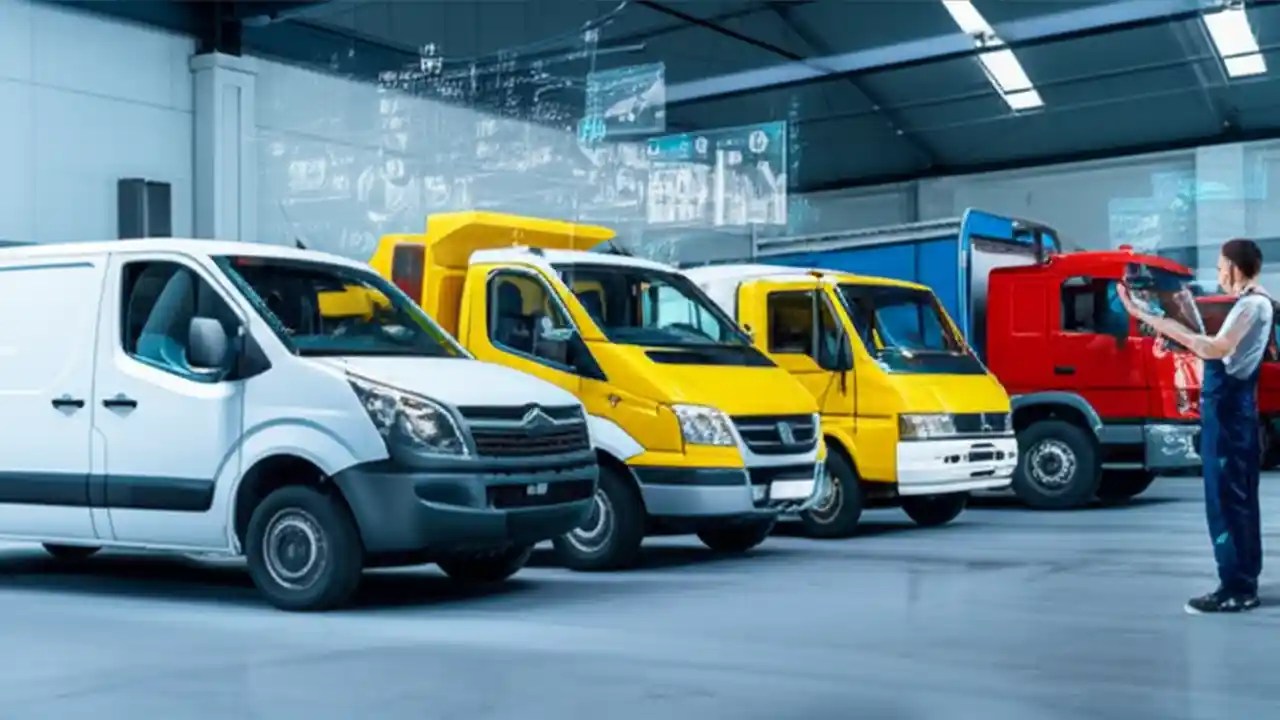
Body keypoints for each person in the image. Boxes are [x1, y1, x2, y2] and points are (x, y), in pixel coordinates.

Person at [1117, 238, 1272, 614]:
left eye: (1221, 267)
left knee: (1225, 501)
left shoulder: (1252, 305)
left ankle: (1236, 588)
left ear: (1236, 268)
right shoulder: (1254, 304)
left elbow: (1215, 349)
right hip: (1234, 416)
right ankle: (1244, 577)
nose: (1219, 274)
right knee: (1239, 499)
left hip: (1229, 418)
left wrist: (1159, 321)